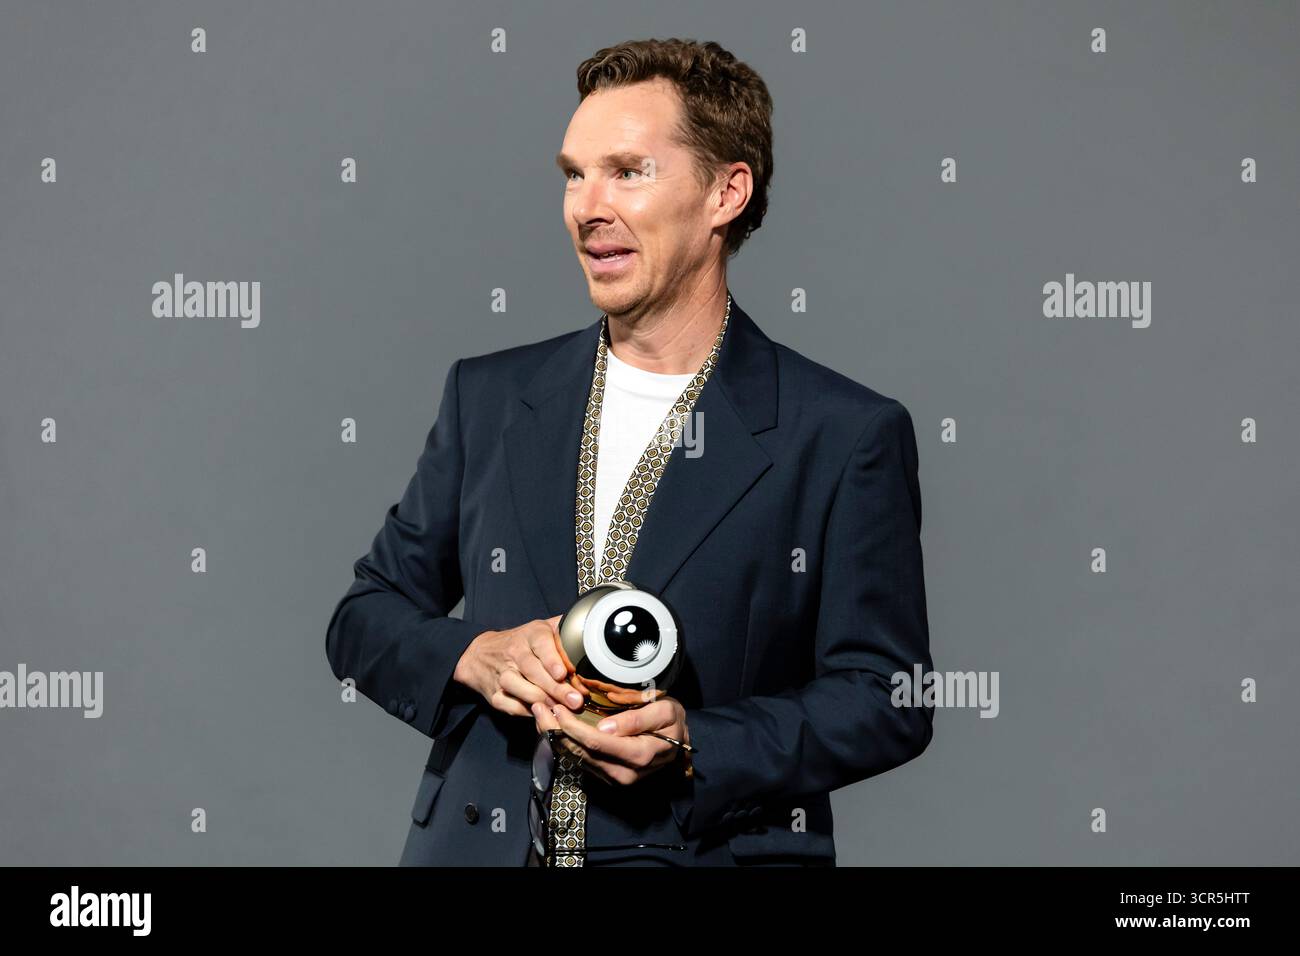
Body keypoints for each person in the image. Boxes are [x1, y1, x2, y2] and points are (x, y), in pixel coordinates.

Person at [325, 37, 934, 866]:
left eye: (627, 171)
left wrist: (698, 744)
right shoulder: (490, 398)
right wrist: (473, 653)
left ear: (727, 191)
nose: (587, 206)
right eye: (574, 174)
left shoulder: (843, 432)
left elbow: (887, 698)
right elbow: (364, 618)